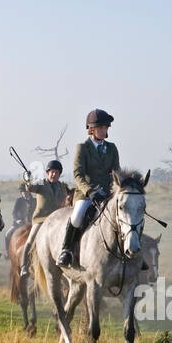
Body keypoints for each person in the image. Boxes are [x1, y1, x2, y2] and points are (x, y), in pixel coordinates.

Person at [60, 109, 119, 268]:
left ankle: (131, 252)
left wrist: (116, 190)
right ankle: (66, 250)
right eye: (100, 127)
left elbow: (116, 173)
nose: (103, 130)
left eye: (105, 127)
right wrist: (90, 191)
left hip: (107, 194)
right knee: (78, 215)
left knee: (125, 213)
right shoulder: (83, 148)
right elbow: (78, 173)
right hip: (86, 194)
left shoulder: (112, 148)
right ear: (91, 129)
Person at [20, 159, 69, 284]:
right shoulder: (41, 184)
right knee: (30, 241)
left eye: (56, 173)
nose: (53, 175)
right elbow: (30, 187)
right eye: (51, 172)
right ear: (47, 173)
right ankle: (24, 267)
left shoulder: (62, 186)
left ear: (59, 174)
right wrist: (28, 178)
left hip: (56, 220)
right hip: (41, 220)